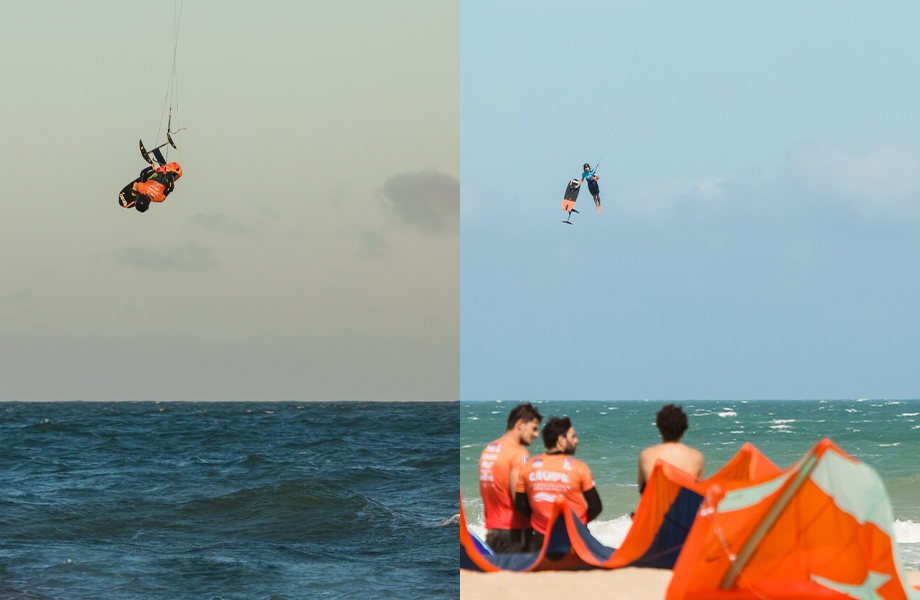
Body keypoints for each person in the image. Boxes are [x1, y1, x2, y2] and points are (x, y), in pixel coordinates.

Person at [515, 416, 602, 551]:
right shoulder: (579, 468)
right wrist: (577, 525)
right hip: (574, 539)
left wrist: (539, 520)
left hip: (540, 539)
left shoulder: (528, 466)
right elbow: (596, 506)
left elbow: (520, 505)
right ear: (561, 440)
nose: (576, 440)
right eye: (572, 437)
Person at [478, 403, 543, 553]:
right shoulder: (518, 453)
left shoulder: (489, 449)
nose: (536, 434)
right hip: (514, 534)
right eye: (534, 428)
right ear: (520, 424)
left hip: (492, 533)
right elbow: (519, 499)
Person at [638, 404, 705, 494]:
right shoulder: (697, 457)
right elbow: (698, 493)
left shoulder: (646, 455)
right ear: (683, 430)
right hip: (684, 507)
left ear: (660, 429)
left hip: (657, 506)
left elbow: (643, 492)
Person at [119, 162, 183, 213]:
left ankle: (168, 172)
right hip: (159, 174)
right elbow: (142, 174)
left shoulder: (159, 199)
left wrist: (168, 173)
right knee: (169, 186)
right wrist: (151, 167)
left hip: (167, 177)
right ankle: (167, 172)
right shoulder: (142, 189)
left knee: (170, 187)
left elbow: (169, 188)